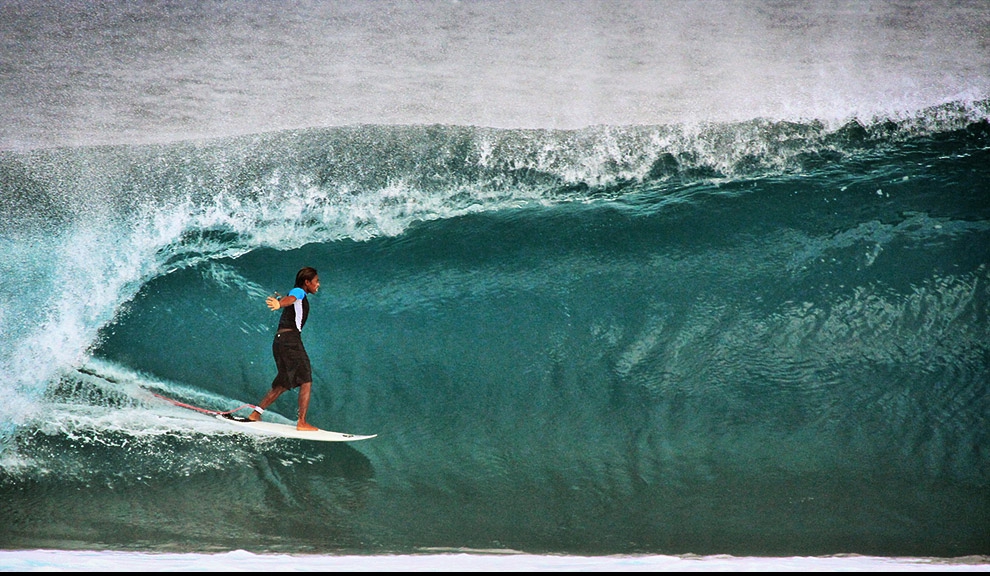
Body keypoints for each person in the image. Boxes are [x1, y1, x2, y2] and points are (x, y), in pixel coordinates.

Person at [248, 266, 321, 431]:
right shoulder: (298, 291)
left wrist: (280, 300)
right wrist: (279, 304)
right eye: (316, 281)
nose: (318, 284)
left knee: (284, 382)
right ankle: (301, 422)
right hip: (290, 340)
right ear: (307, 282)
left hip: (280, 341)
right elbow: (293, 298)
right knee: (306, 380)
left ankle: (255, 413)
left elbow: (290, 299)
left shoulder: (295, 293)